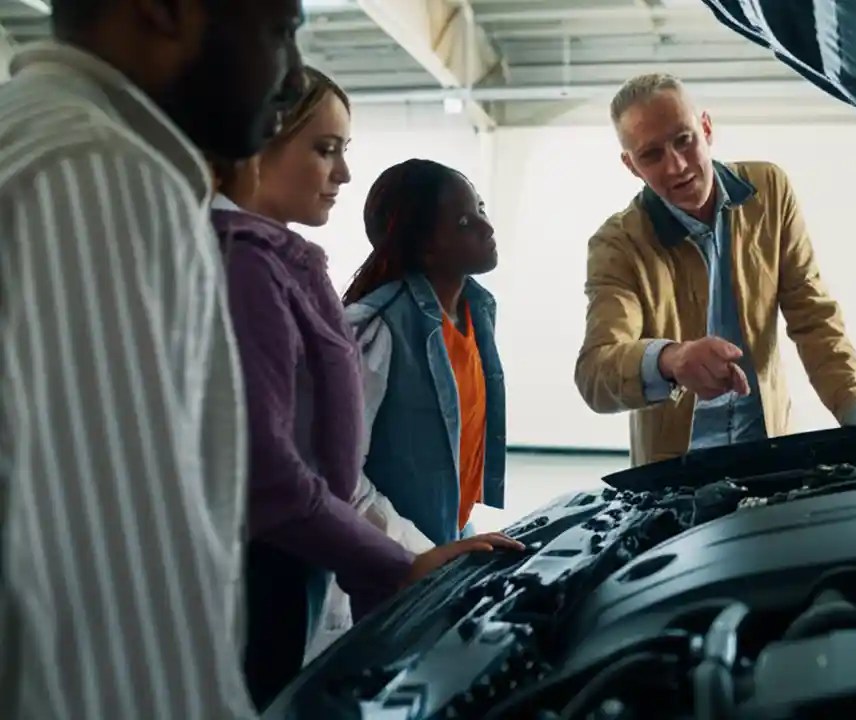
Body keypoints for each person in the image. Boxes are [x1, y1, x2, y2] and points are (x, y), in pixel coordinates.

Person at [0, 1, 303, 718]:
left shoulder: (31, 139)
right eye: (280, 30)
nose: (291, 78)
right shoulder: (99, 171)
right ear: (164, 9)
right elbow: (121, 607)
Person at [210, 68, 523, 709]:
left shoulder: (282, 263)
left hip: (342, 560)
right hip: (293, 572)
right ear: (257, 142)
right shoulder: (255, 269)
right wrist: (407, 559)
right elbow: (298, 474)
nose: (343, 174)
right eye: (325, 149)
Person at [575, 73, 856, 466]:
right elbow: (596, 374)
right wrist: (671, 360)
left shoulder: (770, 189)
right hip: (674, 474)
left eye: (684, 140)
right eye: (652, 155)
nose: (677, 166)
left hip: (770, 451)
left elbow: (812, 316)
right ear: (631, 166)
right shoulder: (617, 244)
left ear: (707, 128)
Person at [343, 159, 507, 548]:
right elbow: (341, 478)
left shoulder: (477, 311)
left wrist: (459, 538)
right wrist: (420, 552)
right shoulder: (376, 329)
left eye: (481, 209)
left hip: (447, 542)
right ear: (426, 248)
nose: (488, 227)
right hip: (394, 563)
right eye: (465, 223)